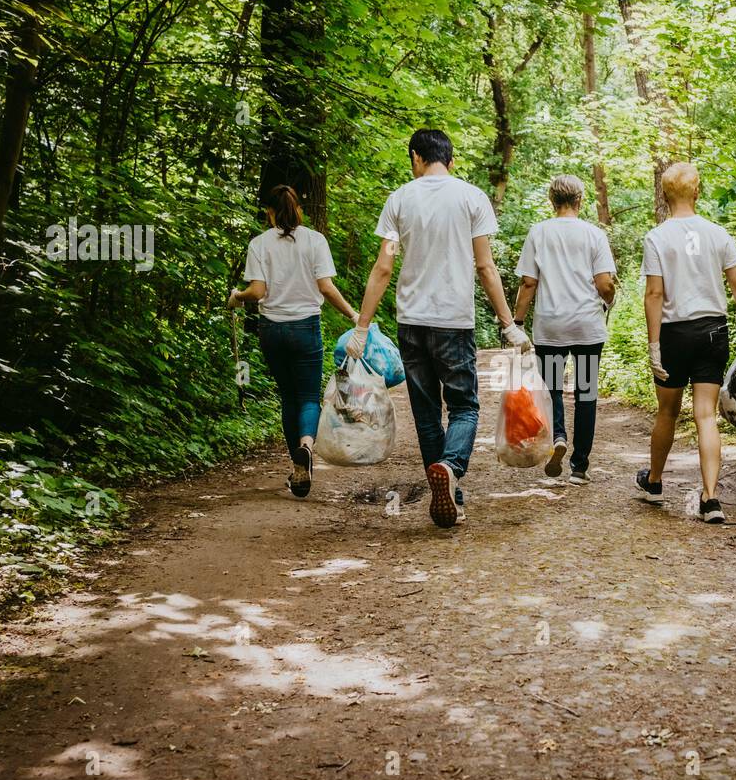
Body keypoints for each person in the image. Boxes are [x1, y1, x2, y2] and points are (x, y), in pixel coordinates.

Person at [346, 129, 530, 528]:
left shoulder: (399, 199)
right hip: (453, 322)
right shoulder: (471, 197)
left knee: (427, 413)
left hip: (411, 323)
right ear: (451, 159)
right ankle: (451, 468)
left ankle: (449, 496)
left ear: (415, 157)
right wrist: (509, 325)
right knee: (464, 406)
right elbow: (485, 266)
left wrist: (362, 327)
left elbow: (383, 266)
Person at [636, 162, 736, 523]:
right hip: (713, 331)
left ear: (664, 195)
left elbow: (654, 294)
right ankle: (711, 499)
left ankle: (655, 482)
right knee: (705, 415)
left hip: (675, 333)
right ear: (697, 191)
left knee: (667, 412)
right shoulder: (717, 233)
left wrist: (654, 345)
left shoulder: (657, 237)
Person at [228, 184, 358, 498]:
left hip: (272, 330)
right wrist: (355, 316)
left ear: (269, 212)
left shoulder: (259, 244)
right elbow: (326, 288)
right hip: (305, 329)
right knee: (309, 398)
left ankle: (299, 468)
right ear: (297, 208)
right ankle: (306, 447)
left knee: (289, 398)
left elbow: (257, 293)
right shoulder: (315, 241)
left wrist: (237, 297)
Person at [512, 175, 616, 484]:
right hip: (586, 326)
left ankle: (558, 435)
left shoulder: (539, 232)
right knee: (586, 393)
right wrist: (609, 300)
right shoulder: (594, 235)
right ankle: (580, 467)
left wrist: (516, 323)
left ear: (552, 201)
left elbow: (529, 282)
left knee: (553, 388)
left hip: (551, 326)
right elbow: (604, 284)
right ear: (580, 201)